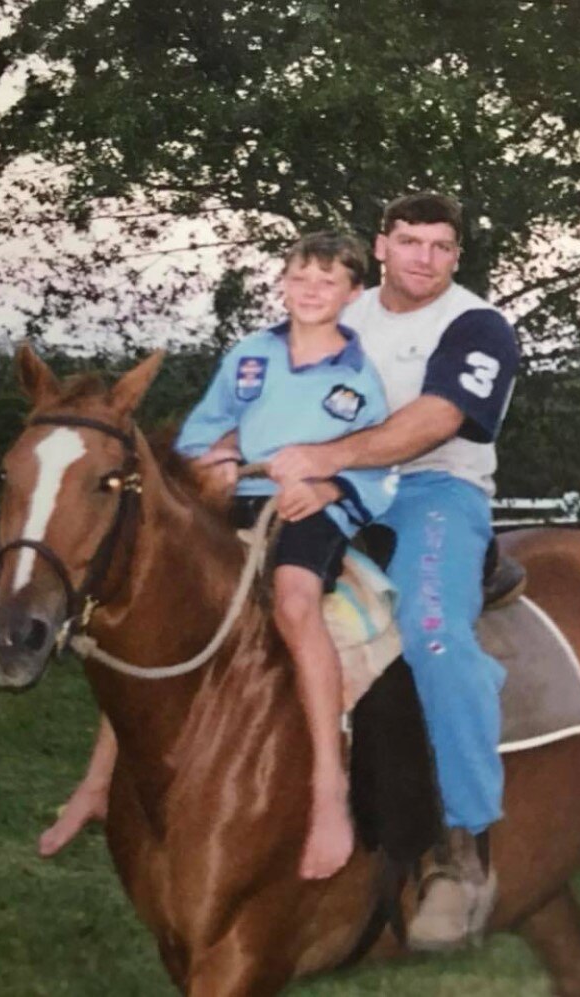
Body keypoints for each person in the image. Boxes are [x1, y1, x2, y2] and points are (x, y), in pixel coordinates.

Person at [40, 231, 398, 881]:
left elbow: (377, 464)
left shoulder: (358, 379)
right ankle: (96, 785)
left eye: (329, 280)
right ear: (284, 282)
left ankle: (327, 793)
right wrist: (224, 453)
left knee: (294, 601)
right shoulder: (252, 355)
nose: (312, 289)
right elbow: (204, 429)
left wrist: (323, 483)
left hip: (311, 509)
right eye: (301, 275)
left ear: (353, 294)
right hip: (239, 499)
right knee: (154, 608)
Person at [269, 192, 520, 949]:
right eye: (410, 241)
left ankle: (465, 847)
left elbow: (437, 419)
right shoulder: (341, 312)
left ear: (457, 256)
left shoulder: (476, 325)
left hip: (436, 489)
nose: (425, 258)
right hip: (341, 486)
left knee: (432, 632)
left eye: (442, 246)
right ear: (380, 246)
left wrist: (328, 456)